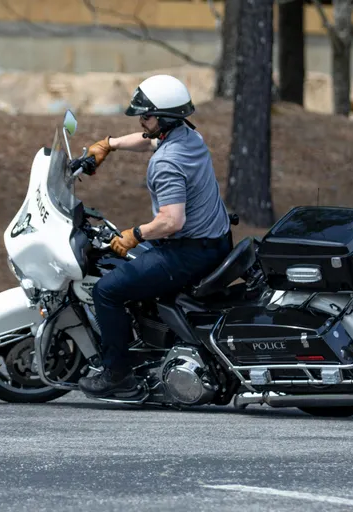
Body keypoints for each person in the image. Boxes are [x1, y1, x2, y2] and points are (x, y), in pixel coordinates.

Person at [77, 74, 232, 398]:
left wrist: (134, 234)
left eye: (145, 115)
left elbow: (172, 221)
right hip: (215, 238)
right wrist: (110, 144)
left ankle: (117, 372)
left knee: (107, 291)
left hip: (189, 251)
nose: (140, 120)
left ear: (163, 118)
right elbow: (149, 139)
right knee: (120, 261)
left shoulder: (167, 163)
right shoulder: (187, 135)